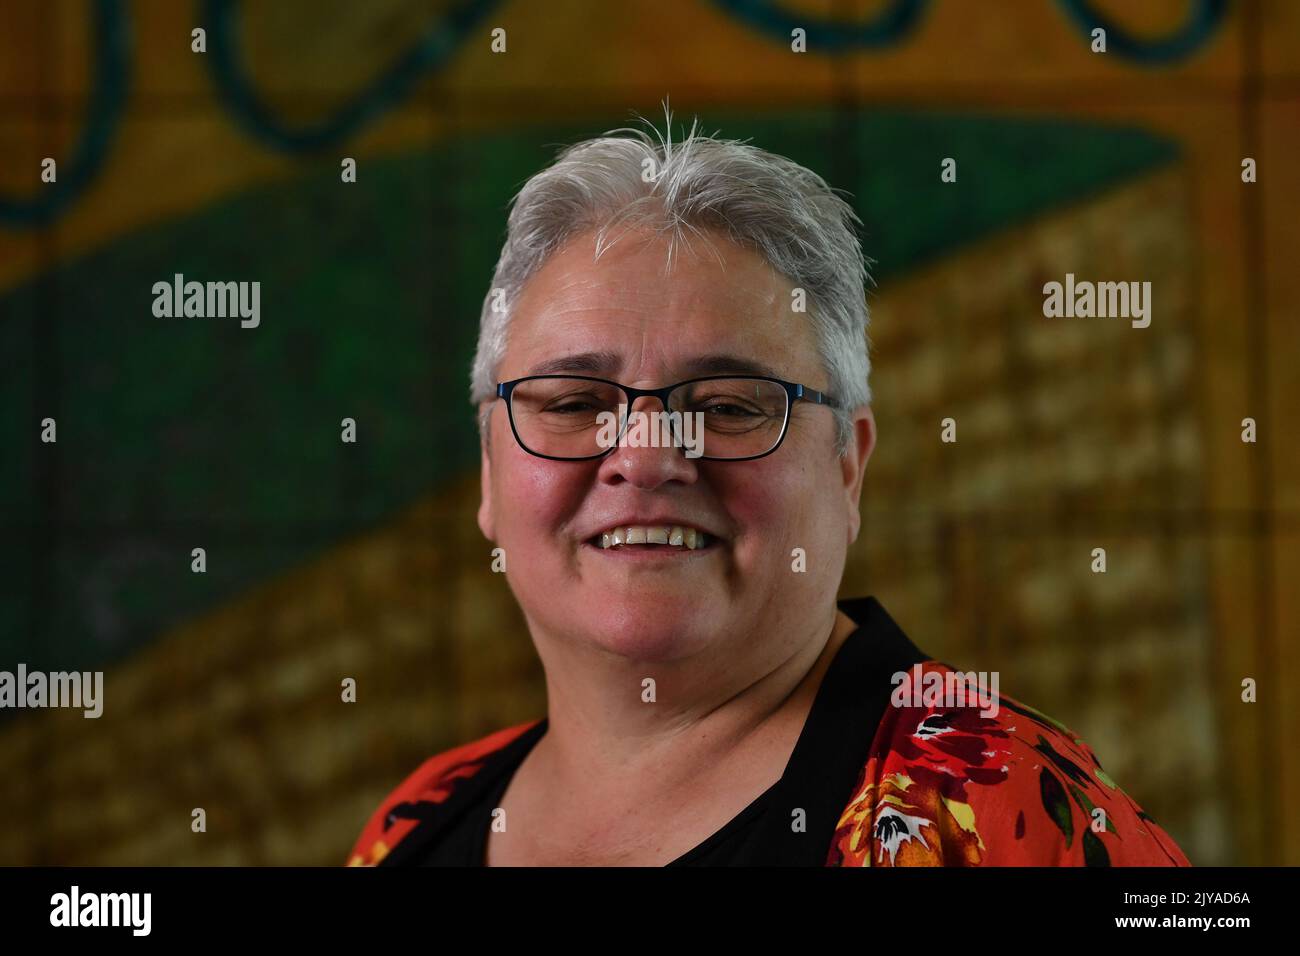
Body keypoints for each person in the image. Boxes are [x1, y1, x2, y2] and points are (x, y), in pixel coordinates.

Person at [347, 113, 1190, 867]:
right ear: (491, 474)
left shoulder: (1004, 816)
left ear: (847, 465)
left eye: (726, 406)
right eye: (573, 403)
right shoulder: (415, 826)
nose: (646, 456)